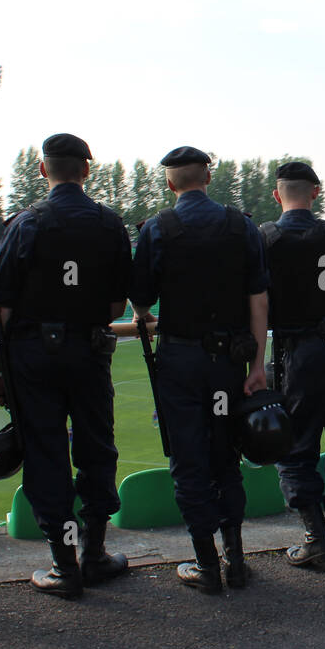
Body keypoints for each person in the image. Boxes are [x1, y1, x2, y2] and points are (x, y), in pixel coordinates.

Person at [0, 134, 133, 598]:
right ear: (86, 171)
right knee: (96, 447)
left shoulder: (26, 223)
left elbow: (1, 306)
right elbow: (116, 303)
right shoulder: (109, 224)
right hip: (90, 351)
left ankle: (63, 563)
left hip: (34, 354)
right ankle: (95, 555)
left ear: (42, 170)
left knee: (46, 453)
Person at [130, 146, 270, 594]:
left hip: (181, 360)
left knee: (188, 459)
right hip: (229, 361)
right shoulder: (240, 225)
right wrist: (258, 363)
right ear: (208, 178)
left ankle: (206, 563)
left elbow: (142, 298)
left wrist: (144, 313)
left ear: (170, 184)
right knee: (226, 455)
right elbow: (258, 299)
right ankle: (237, 560)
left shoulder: (158, 228)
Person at [258, 161, 325, 568]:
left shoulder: (264, 240)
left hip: (299, 355)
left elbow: (256, 305)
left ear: (277, 194)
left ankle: (315, 538)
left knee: (296, 448)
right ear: (316, 192)